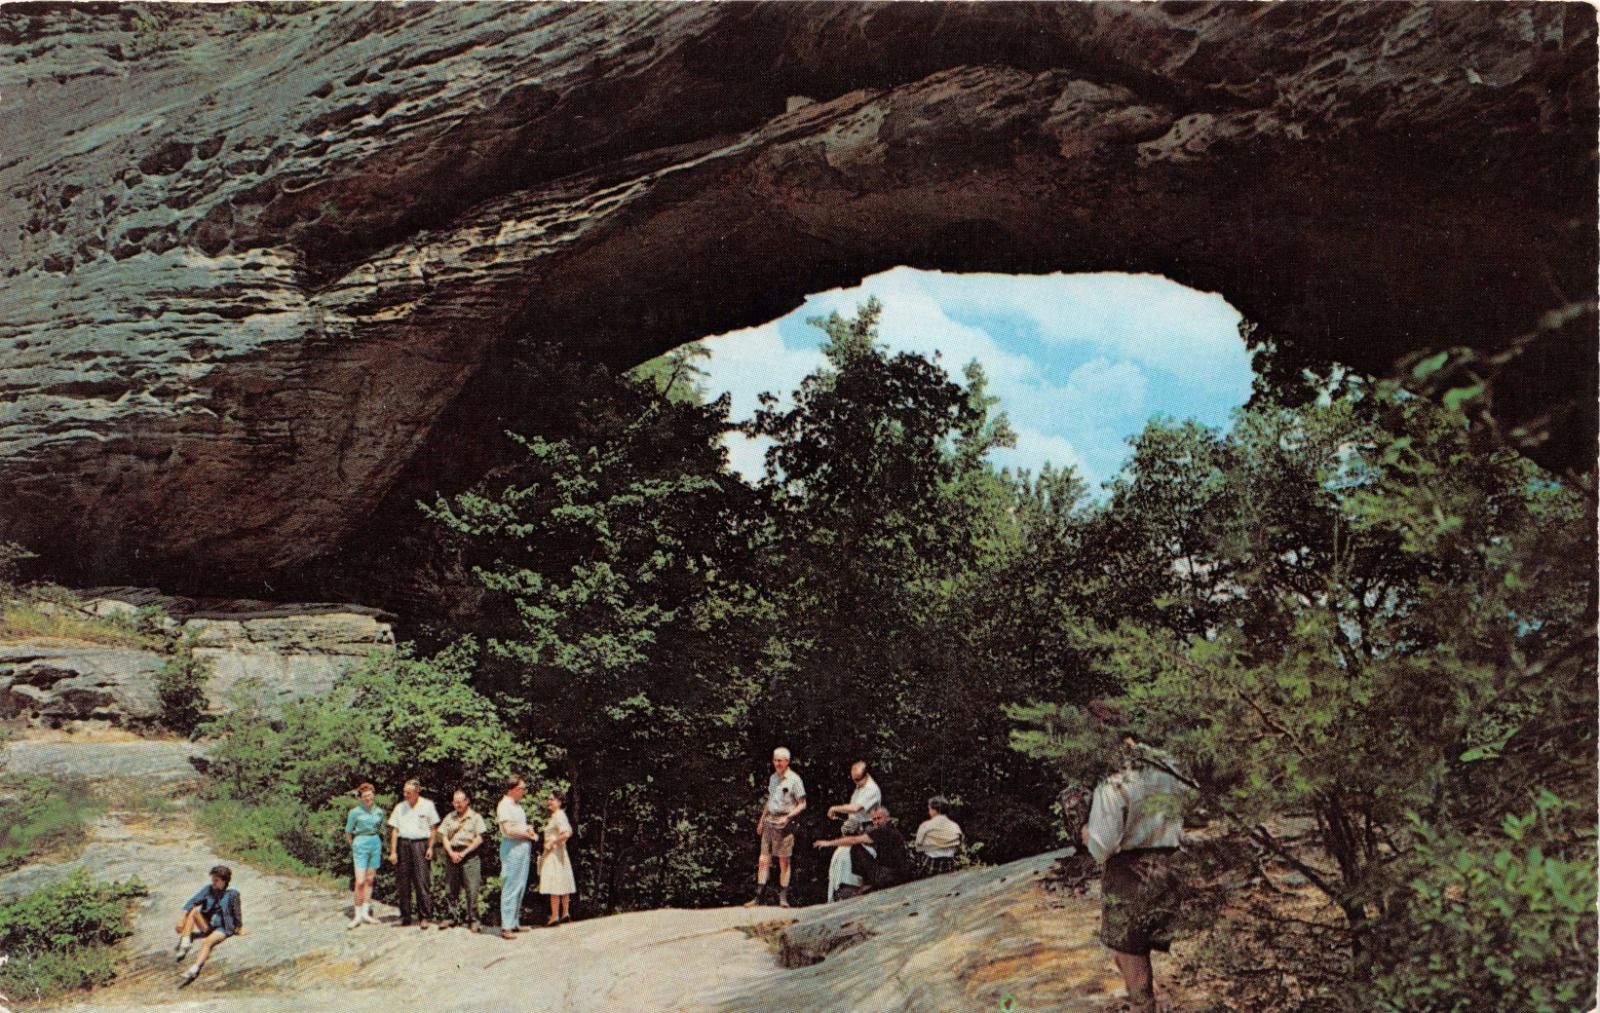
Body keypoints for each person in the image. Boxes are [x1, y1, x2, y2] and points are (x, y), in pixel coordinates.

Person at [1082, 726, 1193, 1013]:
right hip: (1170, 862)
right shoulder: (1170, 767)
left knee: (1131, 951)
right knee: (1131, 949)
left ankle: (1144, 1005)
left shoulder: (1114, 782)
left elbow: (1102, 845)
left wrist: (1085, 835)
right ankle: (1145, 1000)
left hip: (1129, 870)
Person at [744, 746, 806, 908]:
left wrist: (788, 817)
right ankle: (758, 897)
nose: (777, 763)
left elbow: (802, 804)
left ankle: (783, 898)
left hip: (784, 824)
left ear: (787, 761)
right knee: (763, 859)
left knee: (784, 861)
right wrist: (761, 820)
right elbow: (770, 800)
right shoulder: (773, 778)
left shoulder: (795, 780)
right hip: (769, 822)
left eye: (780, 760)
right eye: (775, 760)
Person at [812, 804, 905, 897]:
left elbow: (854, 840)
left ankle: (869, 882)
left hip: (890, 874)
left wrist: (828, 843)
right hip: (891, 873)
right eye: (874, 819)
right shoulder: (890, 831)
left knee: (855, 846)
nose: (876, 822)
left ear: (887, 818)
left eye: (879, 818)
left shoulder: (884, 831)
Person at [821, 760, 881, 901]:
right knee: (843, 856)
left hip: (866, 828)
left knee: (858, 859)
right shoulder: (860, 787)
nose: (856, 782)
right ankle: (839, 890)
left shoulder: (872, 789)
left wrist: (835, 808)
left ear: (866, 775)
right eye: (854, 779)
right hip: (855, 827)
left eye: (858, 779)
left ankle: (859, 888)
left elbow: (856, 808)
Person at [386, 779, 441, 928]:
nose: (405, 795)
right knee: (403, 883)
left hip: (420, 845)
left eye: (409, 792)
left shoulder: (427, 805)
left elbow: (433, 828)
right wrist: (393, 852)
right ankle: (405, 916)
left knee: (422, 881)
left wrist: (430, 847)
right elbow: (395, 830)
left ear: (417, 792)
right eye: (404, 792)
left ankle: (424, 916)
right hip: (403, 845)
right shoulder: (400, 807)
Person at [175, 865, 243, 985]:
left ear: (224, 881)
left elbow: (237, 912)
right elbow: (192, 901)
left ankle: (194, 969)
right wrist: (182, 918)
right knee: (194, 911)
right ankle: (185, 943)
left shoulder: (233, 894)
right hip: (208, 925)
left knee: (207, 942)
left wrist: (239, 927)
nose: (213, 883)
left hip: (223, 927)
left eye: (216, 880)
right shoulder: (209, 889)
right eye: (213, 880)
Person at [436, 788, 487, 931]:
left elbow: (480, 838)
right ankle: (450, 917)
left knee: (472, 889)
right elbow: (443, 836)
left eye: (460, 801)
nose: (457, 804)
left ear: (467, 801)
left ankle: (474, 919)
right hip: (452, 854)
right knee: (451, 888)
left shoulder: (475, 817)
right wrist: (451, 852)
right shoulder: (449, 817)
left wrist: (464, 853)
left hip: (470, 855)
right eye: (455, 802)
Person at [496, 774, 539, 939]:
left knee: (520, 885)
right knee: (510, 885)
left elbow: (520, 826)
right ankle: (506, 926)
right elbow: (508, 830)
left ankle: (514, 922)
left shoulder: (517, 806)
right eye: (522, 788)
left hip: (522, 848)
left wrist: (528, 830)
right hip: (512, 848)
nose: (524, 792)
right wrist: (528, 833)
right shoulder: (504, 805)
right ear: (513, 789)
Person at [344, 782, 384, 928]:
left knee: (369, 879)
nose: (368, 798)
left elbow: (378, 828)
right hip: (360, 843)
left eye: (370, 795)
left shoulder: (379, 811)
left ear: (373, 795)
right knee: (360, 881)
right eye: (365, 796)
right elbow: (348, 831)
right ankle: (357, 915)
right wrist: (353, 845)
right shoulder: (354, 812)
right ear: (361, 797)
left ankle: (366, 913)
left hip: (374, 843)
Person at [538, 789, 576, 925]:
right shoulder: (558, 815)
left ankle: (555, 916)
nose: (549, 802)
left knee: (555, 883)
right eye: (548, 799)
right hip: (559, 853)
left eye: (552, 799)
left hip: (555, 854)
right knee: (562, 881)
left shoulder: (559, 815)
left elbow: (566, 833)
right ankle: (565, 913)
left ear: (559, 802)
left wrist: (552, 842)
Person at [913, 795, 964, 877]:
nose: (929, 812)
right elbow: (959, 843)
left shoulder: (926, 826)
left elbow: (918, 846)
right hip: (949, 863)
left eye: (929, 809)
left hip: (930, 863)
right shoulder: (955, 826)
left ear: (934, 811)